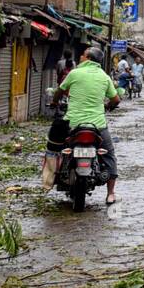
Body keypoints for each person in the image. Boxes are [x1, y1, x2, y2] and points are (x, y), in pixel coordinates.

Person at [52, 46, 121, 205]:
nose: (81, 57)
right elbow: (116, 100)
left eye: (83, 55)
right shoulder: (104, 77)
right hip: (97, 125)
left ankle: (51, 177)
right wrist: (107, 107)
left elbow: (59, 91)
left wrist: (54, 102)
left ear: (88, 58)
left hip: (73, 123)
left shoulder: (74, 73)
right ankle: (110, 194)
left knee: (55, 147)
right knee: (109, 155)